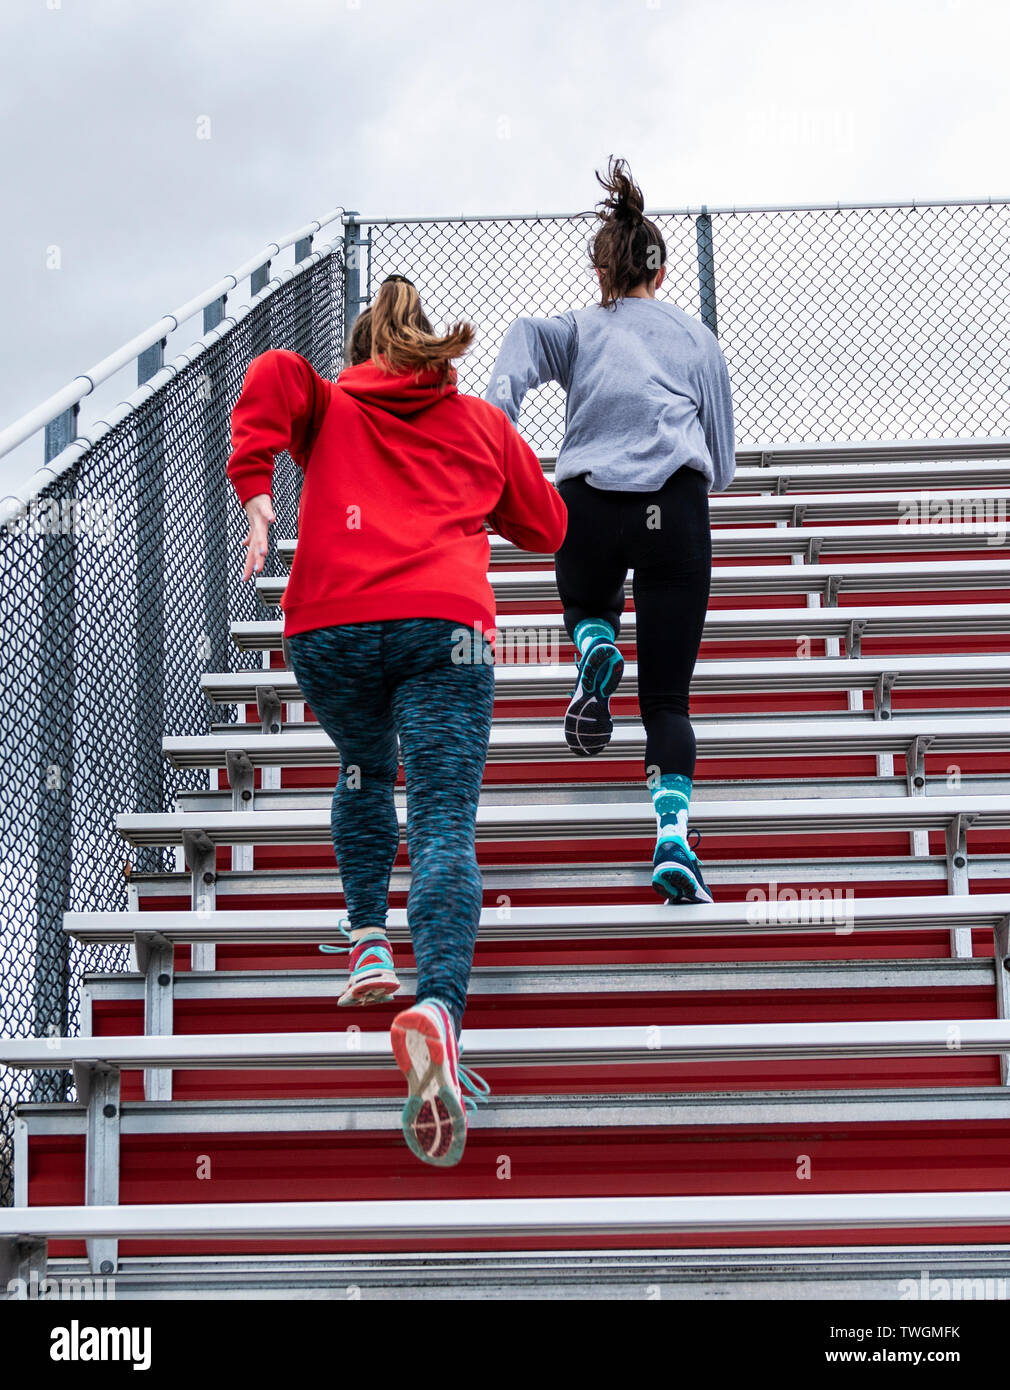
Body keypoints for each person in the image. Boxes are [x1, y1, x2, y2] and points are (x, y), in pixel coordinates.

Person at [226, 275, 567, 1166]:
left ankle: (368, 943)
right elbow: (551, 526)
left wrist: (258, 483)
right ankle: (438, 1008)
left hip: (329, 630)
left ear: (362, 348)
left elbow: (270, 371)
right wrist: (479, 484)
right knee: (444, 816)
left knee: (364, 771)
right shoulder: (482, 426)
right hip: (441, 630)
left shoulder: (332, 403)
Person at [484, 157, 735, 905]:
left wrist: (501, 420)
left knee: (589, 602)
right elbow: (720, 463)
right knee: (666, 703)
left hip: (590, 504)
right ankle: (671, 836)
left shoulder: (580, 329)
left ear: (602, 271)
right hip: (675, 509)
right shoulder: (696, 340)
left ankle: (593, 643)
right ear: (659, 271)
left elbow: (524, 335)